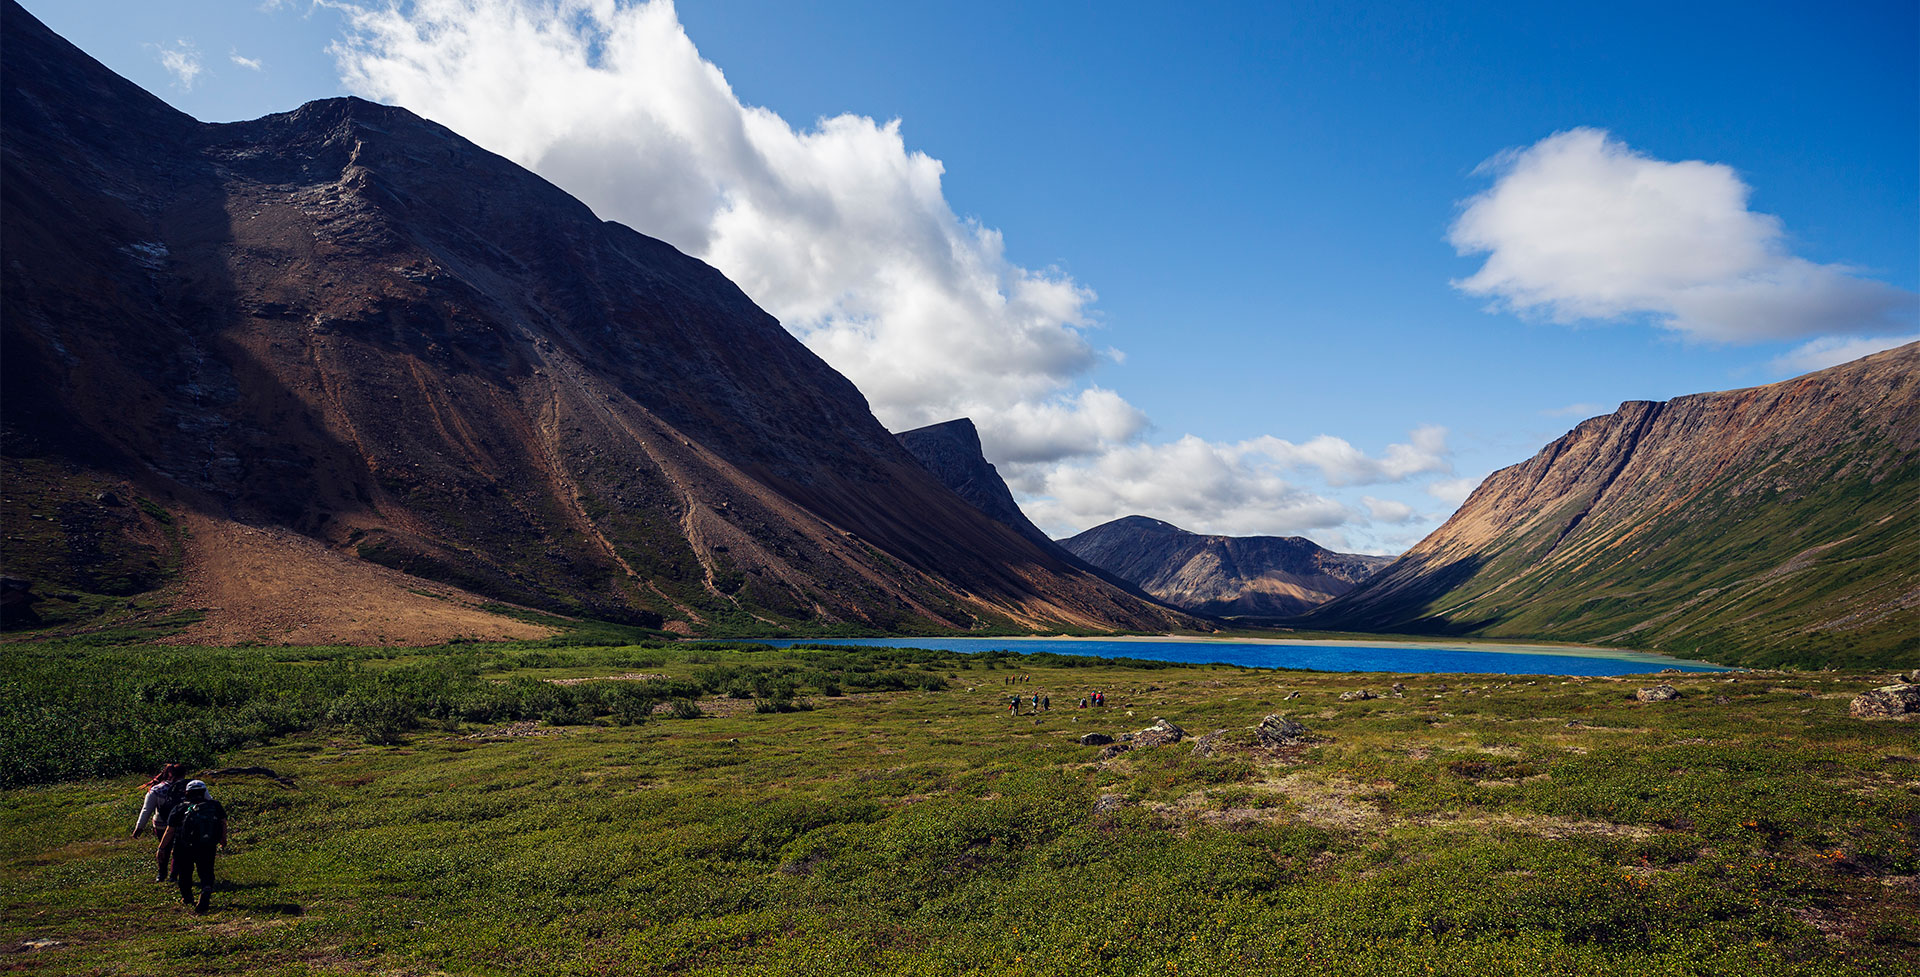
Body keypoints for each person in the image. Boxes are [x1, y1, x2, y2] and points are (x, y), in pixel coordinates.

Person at [160, 780, 227, 914]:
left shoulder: (180, 808)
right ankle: (206, 889)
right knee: (206, 870)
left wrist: (161, 848)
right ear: (204, 792)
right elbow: (223, 822)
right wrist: (223, 839)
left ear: (187, 793)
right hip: (207, 845)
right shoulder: (215, 806)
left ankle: (187, 898)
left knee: (185, 872)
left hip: (183, 846)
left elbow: (170, 830)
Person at [132, 763, 187, 883]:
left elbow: (146, 810)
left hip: (161, 824)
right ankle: (174, 875)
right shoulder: (190, 787)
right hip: (183, 824)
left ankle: (161, 874)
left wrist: (139, 827)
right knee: (179, 850)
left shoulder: (157, 789)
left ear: (169, 773)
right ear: (184, 774)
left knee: (164, 849)